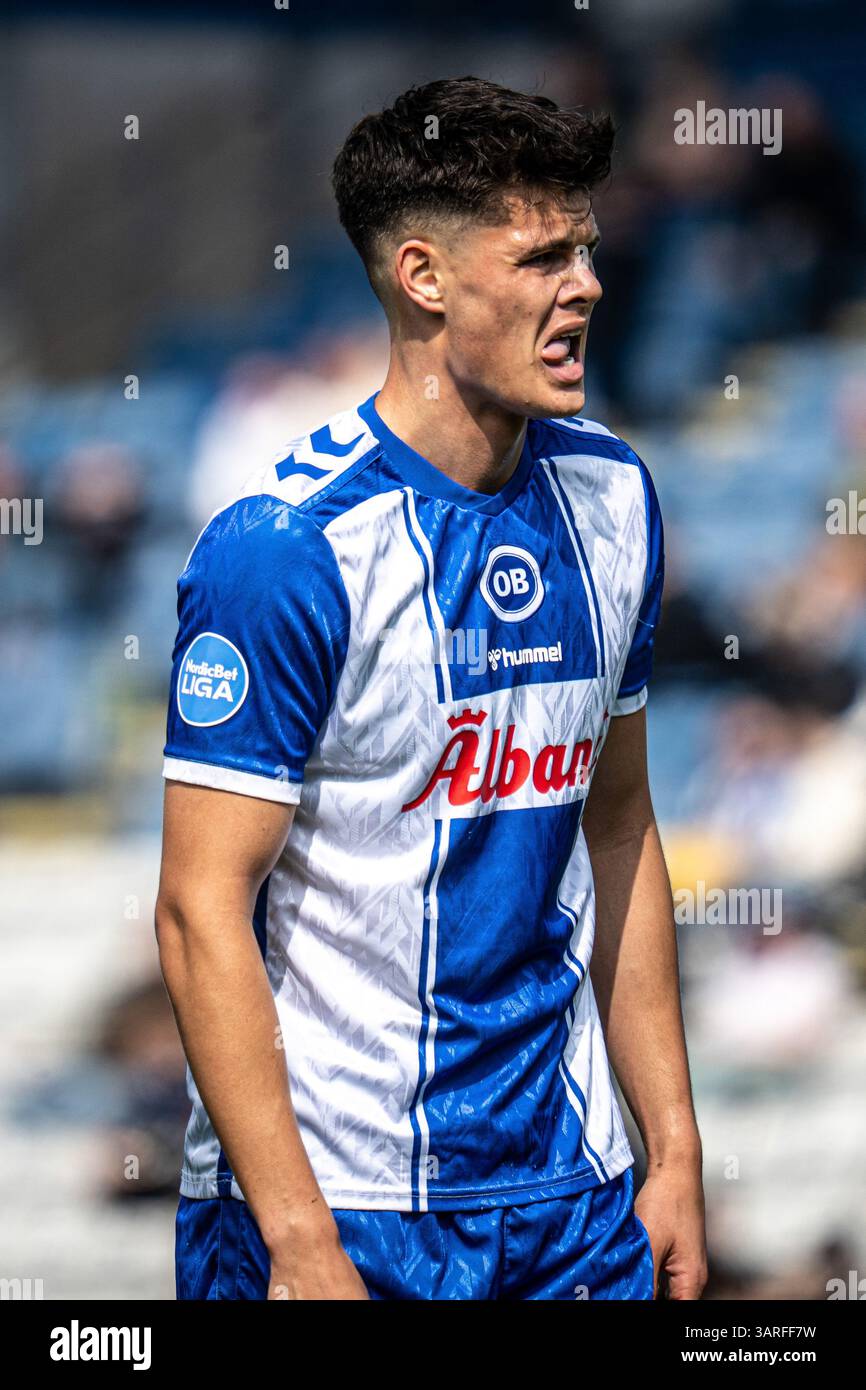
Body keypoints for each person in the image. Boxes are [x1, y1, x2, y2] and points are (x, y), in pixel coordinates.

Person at [157, 76, 707, 1301]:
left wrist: (669, 1148)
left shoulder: (614, 499)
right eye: (543, 257)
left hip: (570, 1201)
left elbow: (616, 824)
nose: (586, 288)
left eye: (587, 249)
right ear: (423, 276)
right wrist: (299, 1242)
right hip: (334, 1213)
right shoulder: (283, 549)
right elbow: (200, 913)